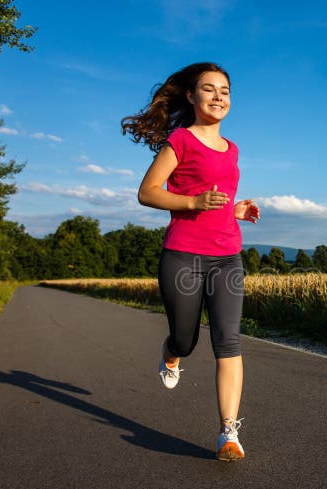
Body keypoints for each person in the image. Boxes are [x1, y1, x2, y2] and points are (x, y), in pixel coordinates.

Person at [122, 62, 260, 461]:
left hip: (227, 258)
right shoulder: (180, 140)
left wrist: (235, 210)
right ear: (191, 96)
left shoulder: (232, 149)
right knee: (186, 339)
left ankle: (228, 433)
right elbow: (147, 192)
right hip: (183, 255)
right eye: (209, 89)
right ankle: (171, 352)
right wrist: (192, 202)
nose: (219, 97)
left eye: (225, 91)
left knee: (228, 341)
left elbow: (213, 199)